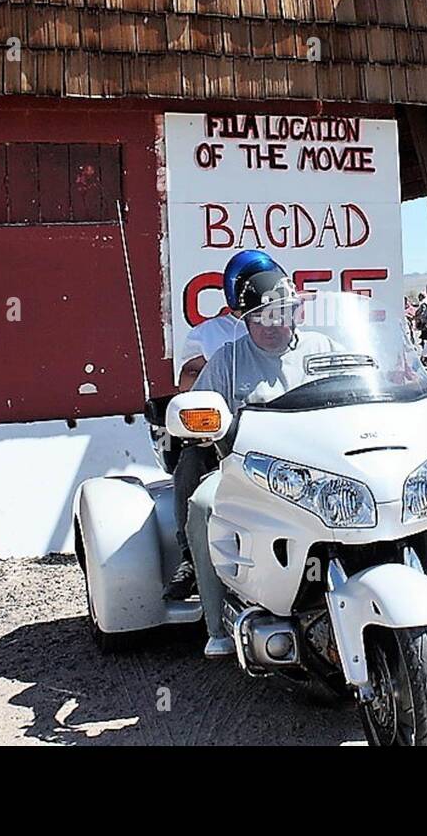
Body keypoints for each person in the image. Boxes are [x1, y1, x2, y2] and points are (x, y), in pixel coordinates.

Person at [184, 271, 335, 657]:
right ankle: (216, 624)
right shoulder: (228, 360)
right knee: (202, 507)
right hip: (246, 473)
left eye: (279, 313)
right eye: (259, 316)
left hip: (322, 469)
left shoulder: (323, 348)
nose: (270, 324)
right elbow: (199, 407)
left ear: (294, 313)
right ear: (246, 319)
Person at [164, 251, 285, 602]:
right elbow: (189, 384)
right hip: (230, 442)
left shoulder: (302, 339)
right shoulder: (210, 336)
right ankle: (190, 557)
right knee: (192, 462)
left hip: (293, 441)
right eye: (251, 286)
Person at [176, 250, 274, 390]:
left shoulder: (283, 328)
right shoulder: (207, 333)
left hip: (279, 407)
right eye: (254, 286)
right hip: (230, 408)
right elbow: (190, 384)